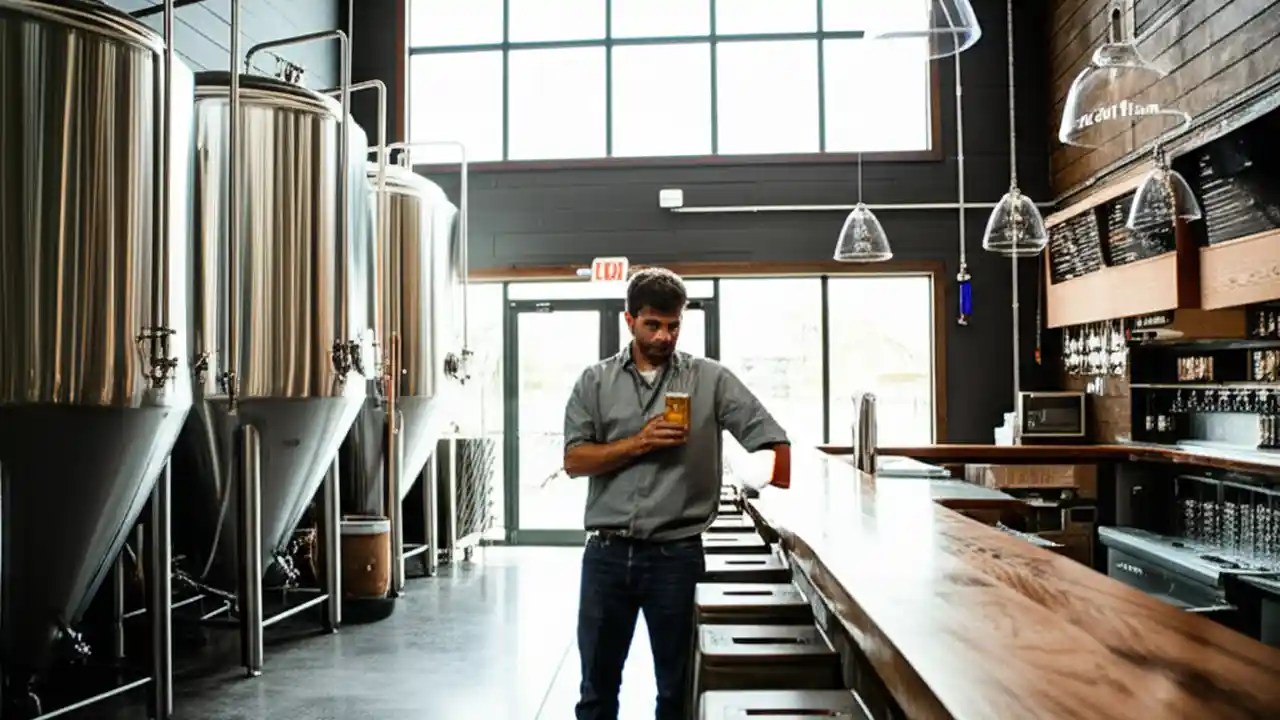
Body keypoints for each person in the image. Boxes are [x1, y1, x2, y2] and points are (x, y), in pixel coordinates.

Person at [562, 267, 790, 720]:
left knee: (676, 690)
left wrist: (767, 481)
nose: (664, 336)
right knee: (596, 691)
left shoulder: (711, 380)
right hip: (607, 556)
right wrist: (640, 442)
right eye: (653, 325)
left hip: (676, 557)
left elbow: (771, 440)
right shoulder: (594, 382)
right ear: (629, 320)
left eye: (674, 326)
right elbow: (574, 461)